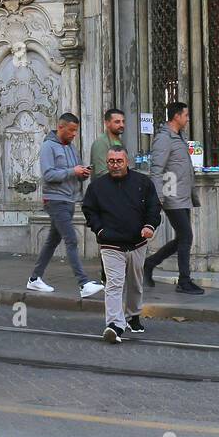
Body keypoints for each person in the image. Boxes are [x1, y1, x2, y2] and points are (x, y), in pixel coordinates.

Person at [82, 145, 160, 343]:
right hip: (111, 245)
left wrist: (150, 226)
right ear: (106, 163)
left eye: (119, 161)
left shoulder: (142, 182)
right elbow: (89, 210)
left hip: (137, 243)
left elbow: (153, 206)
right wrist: (99, 230)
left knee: (135, 283)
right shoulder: (97, 187)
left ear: (127, 162)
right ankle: (115, 325)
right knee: (114, 285)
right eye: (111, 161)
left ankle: (133, 315)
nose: (115, 165)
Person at [28, 113, 104, 298]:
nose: (74, 134)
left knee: (52, 241)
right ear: (60, 127)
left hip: (69, 200)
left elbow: (73, 172)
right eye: (71, 130)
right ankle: (83, 283)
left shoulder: (72, 148)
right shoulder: (48, 146)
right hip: (55, 200)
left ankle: (34, 279)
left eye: (76, 131)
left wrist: (82, 173)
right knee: (71, 239)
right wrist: (72, 171)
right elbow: (48, 175)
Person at [146, 100, 205, 295]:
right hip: (172, 196)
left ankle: (150, 264)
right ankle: (184, 281)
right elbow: (156, 169)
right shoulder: (164, 138)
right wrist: (158, 197)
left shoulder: (178, 137)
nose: (188, 119)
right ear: (176, 116)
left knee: (182, 237)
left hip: (182, 195)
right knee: (186, 236)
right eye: (186, 115)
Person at [89, 107, 126, 179]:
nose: (122, 125)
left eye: (123, 121)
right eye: (117, 122)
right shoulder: (101, 143)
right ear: (107, 123)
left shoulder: (120, 142)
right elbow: (101, 172)